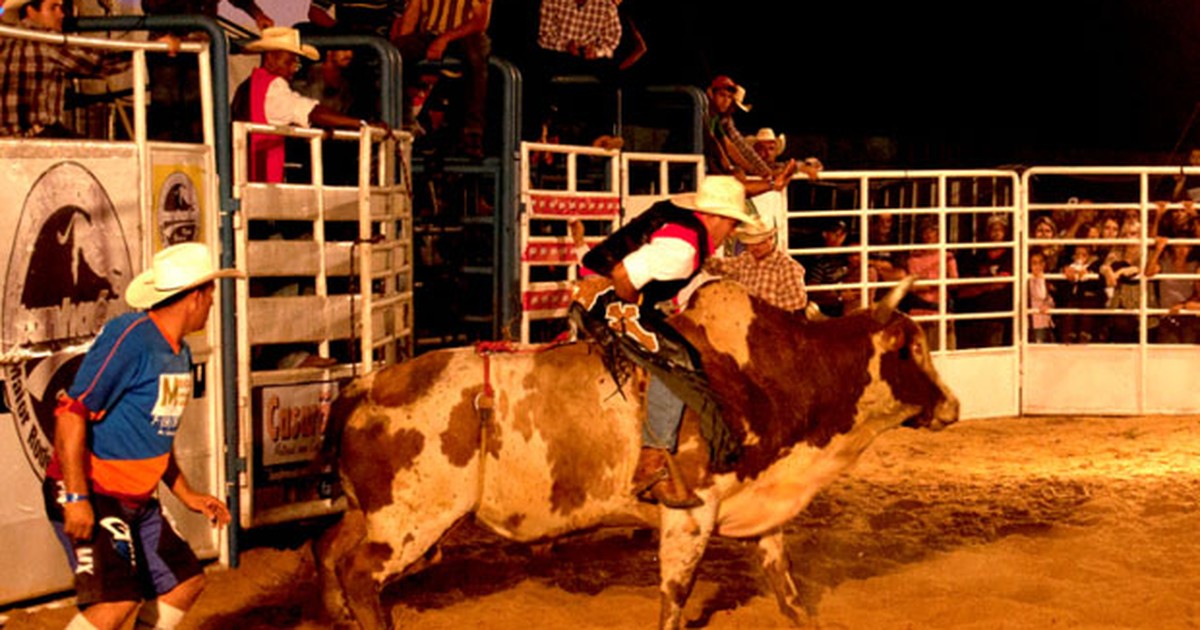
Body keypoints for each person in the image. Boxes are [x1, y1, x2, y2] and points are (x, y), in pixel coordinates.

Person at [43, 242, 241, 630]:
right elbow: (71, 414)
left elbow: (153, 434)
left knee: (184, 583)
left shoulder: (180, 353)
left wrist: (187, 494)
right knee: (115, 603)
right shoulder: (131, 337)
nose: (212, 302)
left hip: (134, 498)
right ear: (195, 296)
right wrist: (77, 498)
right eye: (211, 293)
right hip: (95, 491)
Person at [577, 175, 752, 508]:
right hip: (600, 298)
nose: (732, 232)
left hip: (599, 288)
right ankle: (651, 462)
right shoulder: (683, 248)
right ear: (715, 216)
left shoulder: (684, 224)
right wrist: (633, 309)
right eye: (732, 223)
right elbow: (623, 275)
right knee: (677, 360)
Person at [232, 26, 389, 183]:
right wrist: (361, 123)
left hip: (244, 174)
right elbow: (310, 111)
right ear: (270, 58)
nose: (294, 68)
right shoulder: (274, 85)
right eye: (289, 61)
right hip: (263, 178)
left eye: (296, 63)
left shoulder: (248, 85)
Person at [0, 0, 179, 138]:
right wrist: (150, 46)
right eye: (53, 8)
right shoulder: (47, 42)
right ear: (31, 11)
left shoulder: (5, 39)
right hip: (36, 135)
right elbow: (99, 62)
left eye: (61, 7)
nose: (61, 14)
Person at [142, 0, 273, 142]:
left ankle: (196, 149)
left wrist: (257, 15)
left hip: (199, 48)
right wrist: (165, 33)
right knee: (167, 110)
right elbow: (150, 4)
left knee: (199, 109)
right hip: (167, 49)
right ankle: (163, 150)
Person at [390, 0, 492, 158]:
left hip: (465, 34)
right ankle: (403, 123)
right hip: (430, 34)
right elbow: (412, 12)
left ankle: (472, 132)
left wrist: (445, 39)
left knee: (476, 53)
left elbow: (480, 22)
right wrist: (402, 46)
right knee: (392, 55)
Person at [702, 75, 816, 197]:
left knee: (737, 176)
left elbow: (731, 147)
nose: (727, 102)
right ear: (711, 94)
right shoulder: (708, 116)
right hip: (707, 165)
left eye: (729, 98)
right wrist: (731, 166)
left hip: (718, 165)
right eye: (722, 95)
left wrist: (765, 172)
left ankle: (773, 183)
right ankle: (773, 184)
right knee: (736, 179)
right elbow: (724, 146)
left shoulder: (719, 120)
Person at [703, 215, 807, 314]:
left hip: (771, 323)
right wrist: (700, 251)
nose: (755, 247)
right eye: (751, 243)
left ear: (771, 239)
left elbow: (798, 301)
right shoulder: (745, 260)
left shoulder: (786, 266)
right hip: (744, 321)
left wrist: (761, 308)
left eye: (760, 242)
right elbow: (717, 265)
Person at [1146, 236, 1200, 344]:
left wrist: (1183, 305)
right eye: (1178, 246)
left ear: (1190, 249)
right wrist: (1158, 249)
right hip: (1167, 316)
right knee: (1167, 351)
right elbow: (1148, 272)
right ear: (1173, 248)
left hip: (1189, 317)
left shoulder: (1194, 267)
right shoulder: (1165, 264)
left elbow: (1198, 292)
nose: (1182, 250)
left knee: (1188, 352)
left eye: (1186, 247)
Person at [1028, 250, 1055, 343]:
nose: (1038, 266)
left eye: (1041, 262)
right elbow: (1041, 295)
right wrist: (1040, 278)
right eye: (1034, 263)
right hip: (1035, 322)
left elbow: (1050, 299)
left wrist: (1049, 305)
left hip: (1045, 320)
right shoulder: (1029, 279)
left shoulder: (1048, 277)